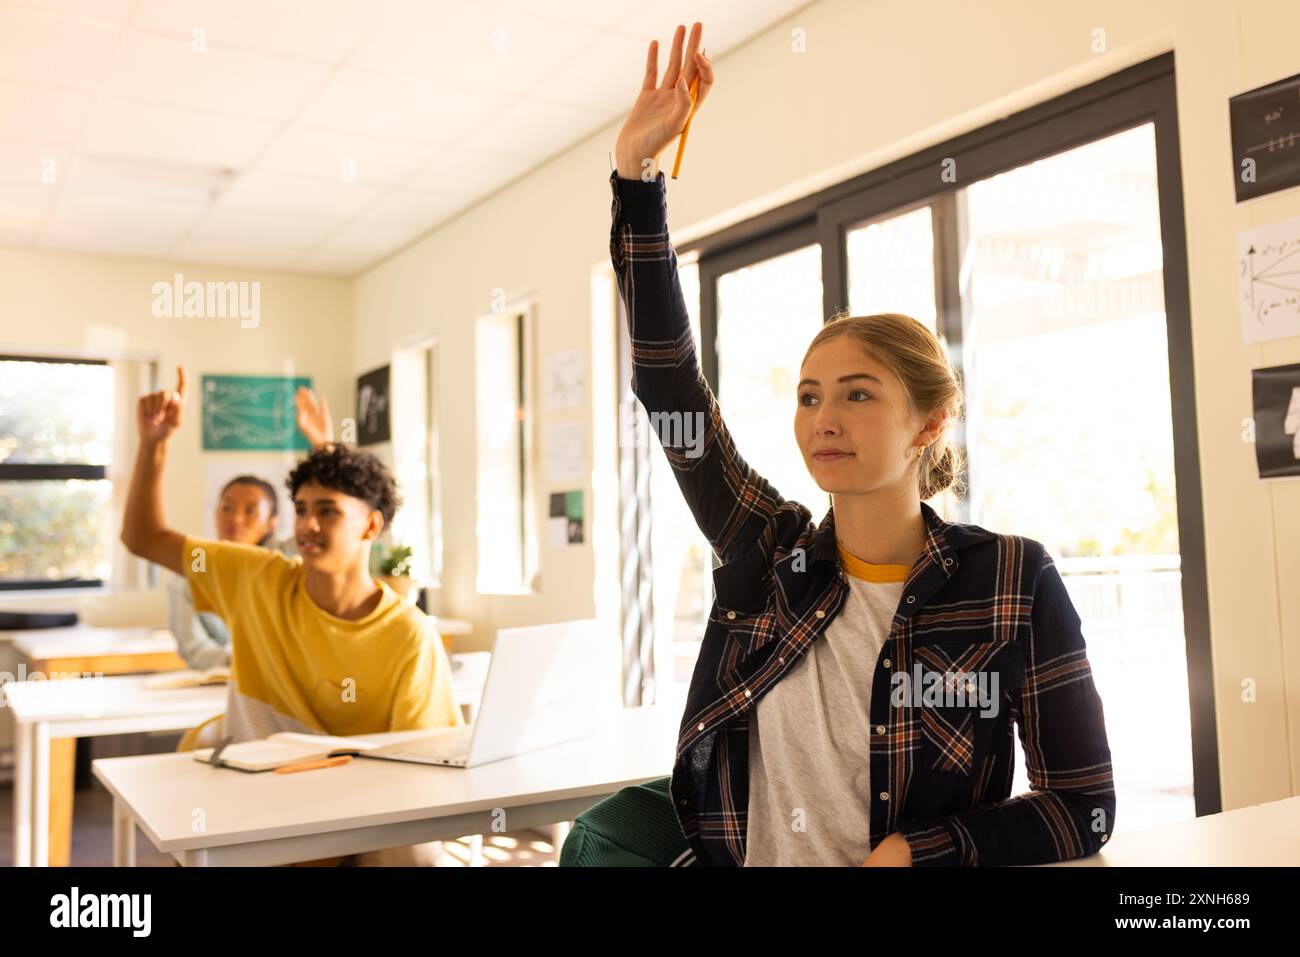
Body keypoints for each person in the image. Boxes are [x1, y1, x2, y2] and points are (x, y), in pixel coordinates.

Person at [593, 21, 1115, 867]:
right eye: (808, 397)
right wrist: (636, 176)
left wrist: (920, 851)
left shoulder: (1013, 580)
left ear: (930, 421)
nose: (823, 419)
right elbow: (667, 384)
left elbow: (1083, 808)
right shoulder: (763, 550)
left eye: (858, 394)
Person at [164, 387, 336, 670]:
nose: (236, 519)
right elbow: (194, 649)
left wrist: (324, 448)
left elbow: (329, 526)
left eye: (251, 511)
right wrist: (254, 667)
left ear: (273, 522)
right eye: (227, 507)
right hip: (222, 685)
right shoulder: (191, 571)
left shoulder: (286, 559)